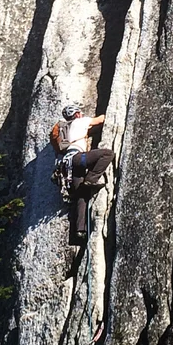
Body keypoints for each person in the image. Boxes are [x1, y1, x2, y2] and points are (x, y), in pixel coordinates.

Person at [60, 104, 115, 243]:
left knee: (81, 194)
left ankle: (79, 230)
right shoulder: (80, 121)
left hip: (68, 164)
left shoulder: (65, 129)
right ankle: (91, 179)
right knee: (107, 154)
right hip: (78, 158)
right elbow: (100, 120)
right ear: (77, 114)